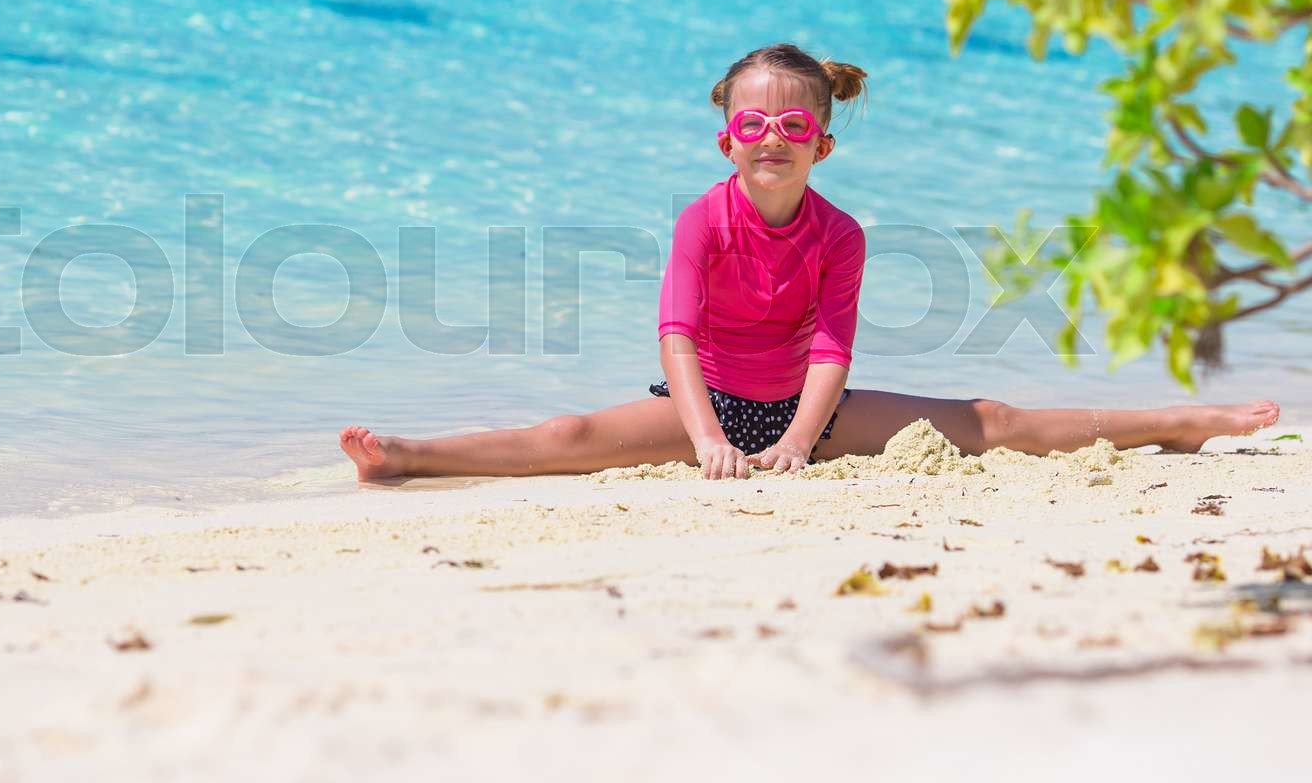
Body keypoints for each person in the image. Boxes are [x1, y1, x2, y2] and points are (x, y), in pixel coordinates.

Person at [339, 43, 1281, 481]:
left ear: (822, 145)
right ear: (727, 141)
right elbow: (677, 338)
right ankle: (409, 455)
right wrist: (708, 439)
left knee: (993, 420)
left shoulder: (841, 234)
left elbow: (832, 348)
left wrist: (796, 442)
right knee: (571, 435)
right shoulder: (702, 222)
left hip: (808, 409)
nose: (772, 138)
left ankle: (1181, 421)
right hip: (703, 405)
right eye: (754, 124)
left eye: (794, 124)